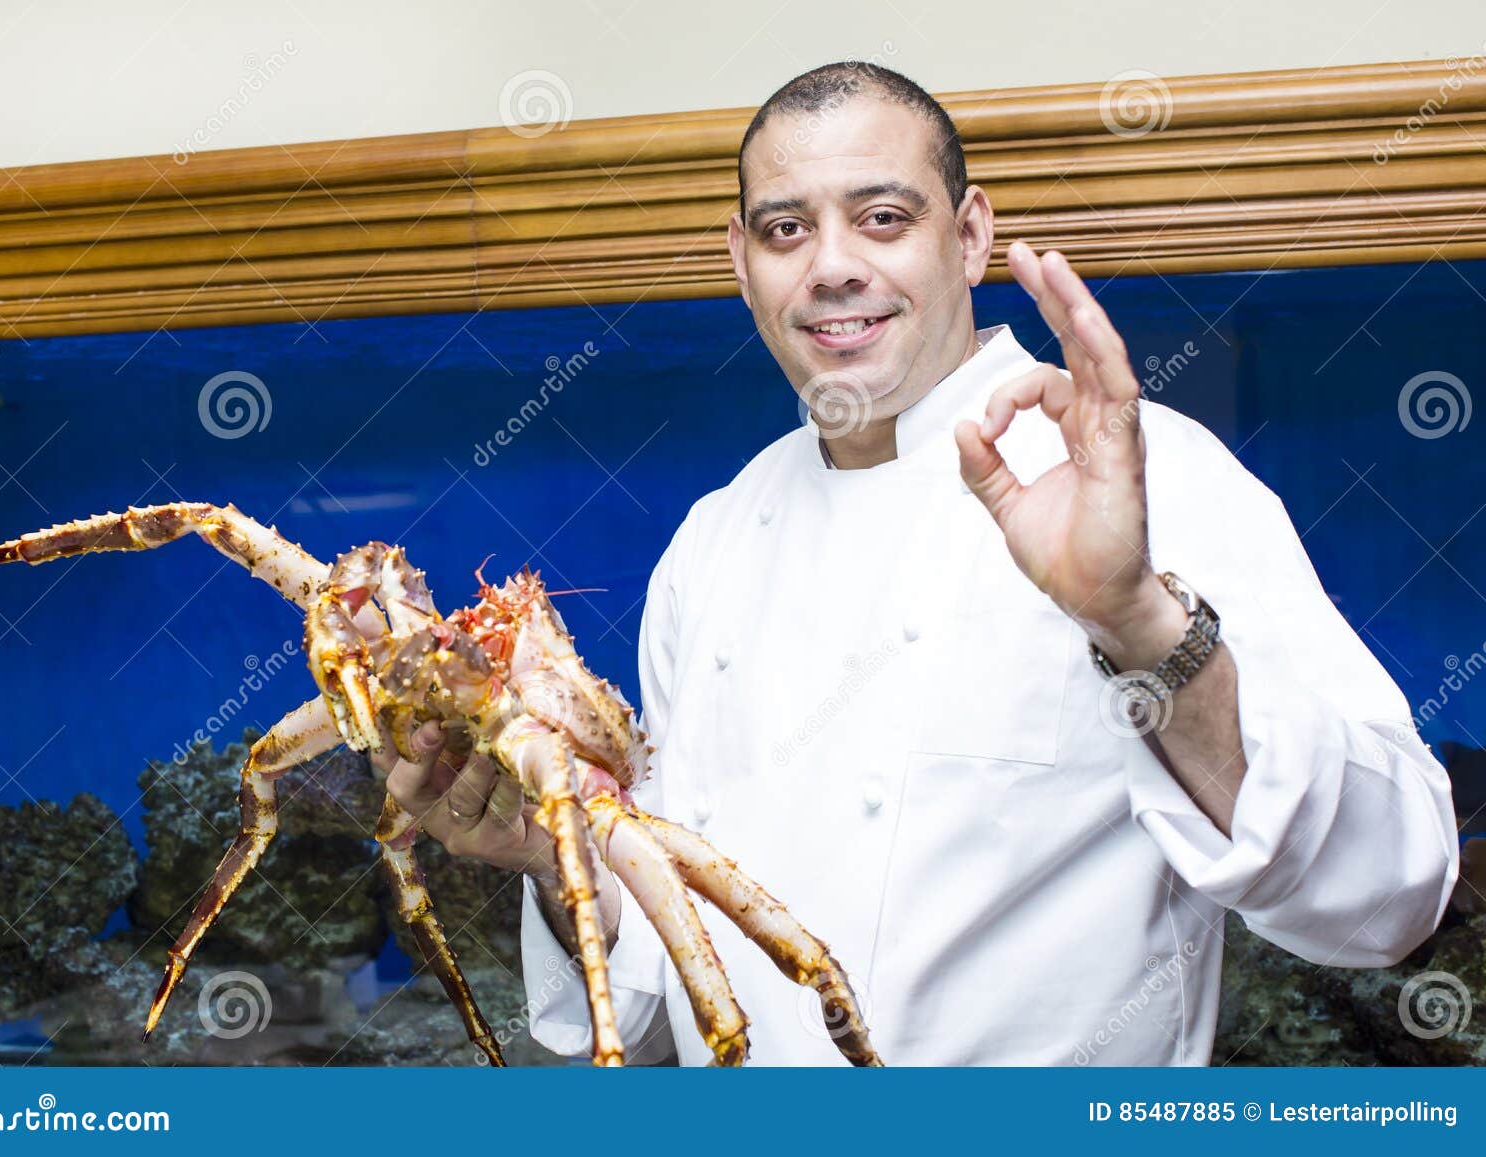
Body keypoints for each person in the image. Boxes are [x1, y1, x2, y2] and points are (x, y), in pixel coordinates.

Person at [384, 62, 1459, 1065]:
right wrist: (545, 854)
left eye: (883, 217)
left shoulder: (1141, 471)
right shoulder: (713, 540)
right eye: (785, 228)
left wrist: (1138, 620)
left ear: (970, 234)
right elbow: (670, 989)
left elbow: (1388, 889)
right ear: (739, 260)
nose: (833, 264)